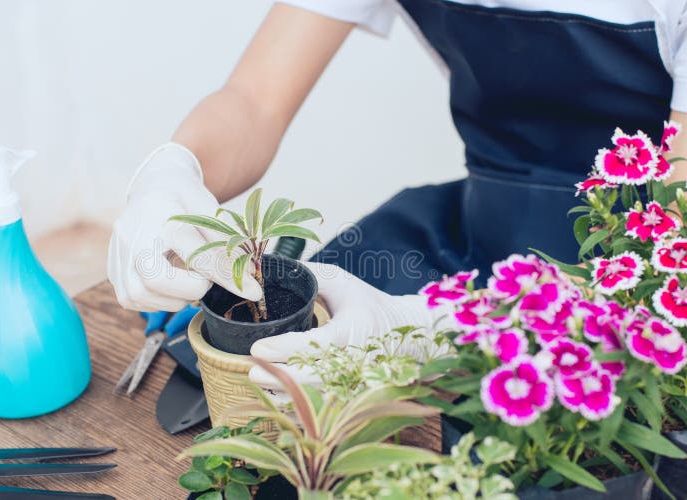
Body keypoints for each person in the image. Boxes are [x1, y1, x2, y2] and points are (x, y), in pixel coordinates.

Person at [108, 1, 687, 387]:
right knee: (280, 360)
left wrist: (432, 330)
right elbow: (255, 100)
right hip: (483, 223)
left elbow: (674, 245)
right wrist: (172, 176)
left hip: (649, 273)